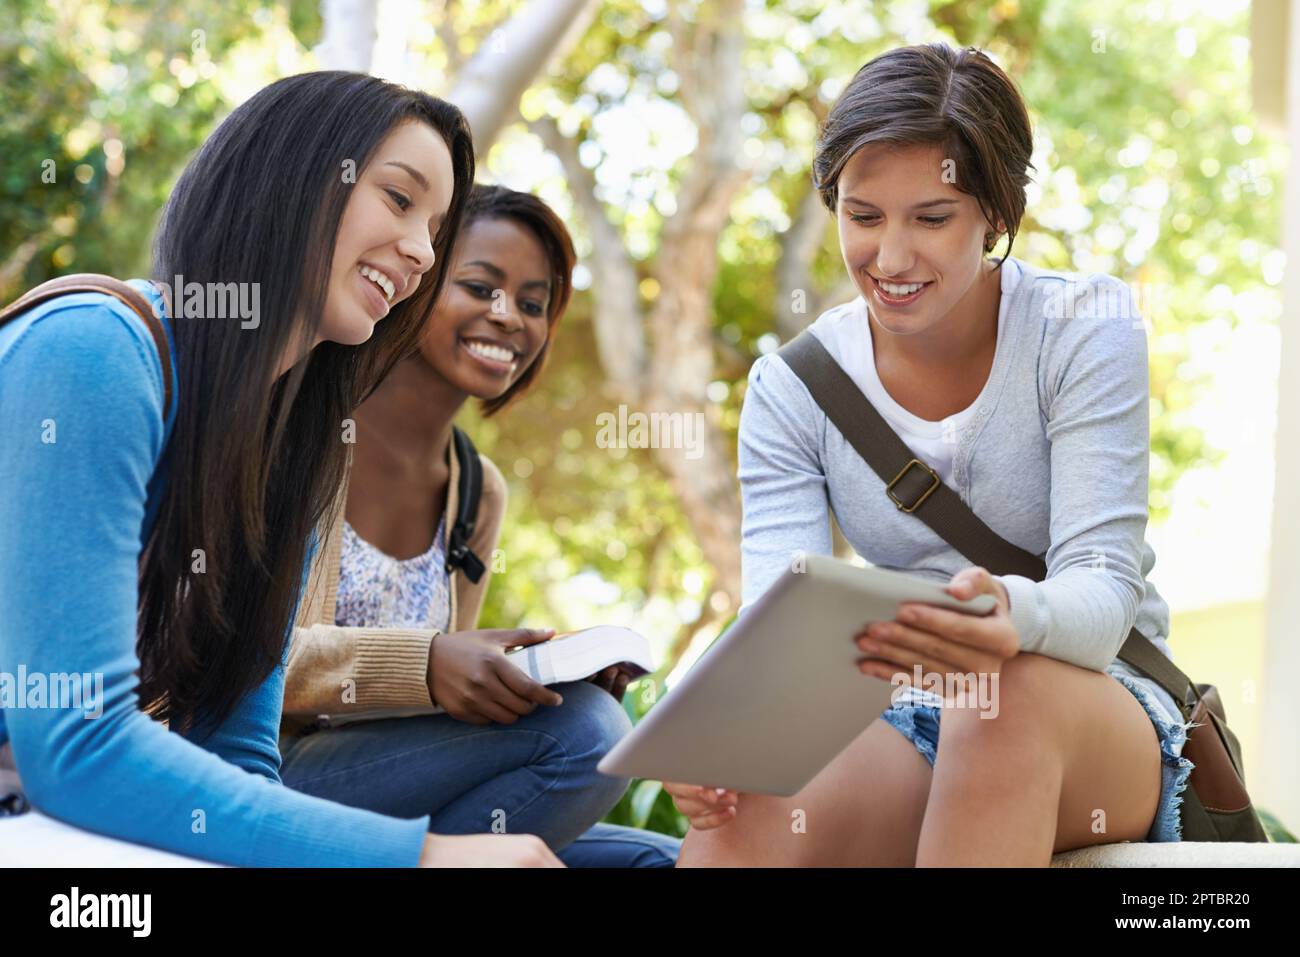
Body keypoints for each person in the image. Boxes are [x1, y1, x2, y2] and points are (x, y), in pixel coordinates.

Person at [0, 70, 563, 867]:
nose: (420, 252)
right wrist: (426, 858)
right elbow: (80, 747)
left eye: (435, 228)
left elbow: (237, 757)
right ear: (290, 176)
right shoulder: (93, 349)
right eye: (398, 200)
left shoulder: (291, 456)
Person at [665, 42, 1195, 867]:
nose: (892, 258)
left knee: (1000, 692)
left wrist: (1008, 619)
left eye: (932, 218)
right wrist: (720, 735)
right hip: (901, 710)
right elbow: (781, 620)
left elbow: (1103, 587)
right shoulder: (792, 385)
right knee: (743, 805)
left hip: (1088, 699)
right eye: (863, 215)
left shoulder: (1084, 327)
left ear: (995, 212)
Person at [279, 184, 680, 867]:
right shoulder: (295, 431)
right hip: (269, 782)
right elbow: (234, 664)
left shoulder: (477, 489)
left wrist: (523, 678)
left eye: (532, 304)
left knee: (659, 861)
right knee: (586, 733)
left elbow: (435, 704)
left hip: (397, 786)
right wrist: (426, 665)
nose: (509, 317)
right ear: (415, 282)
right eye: (479, 286)